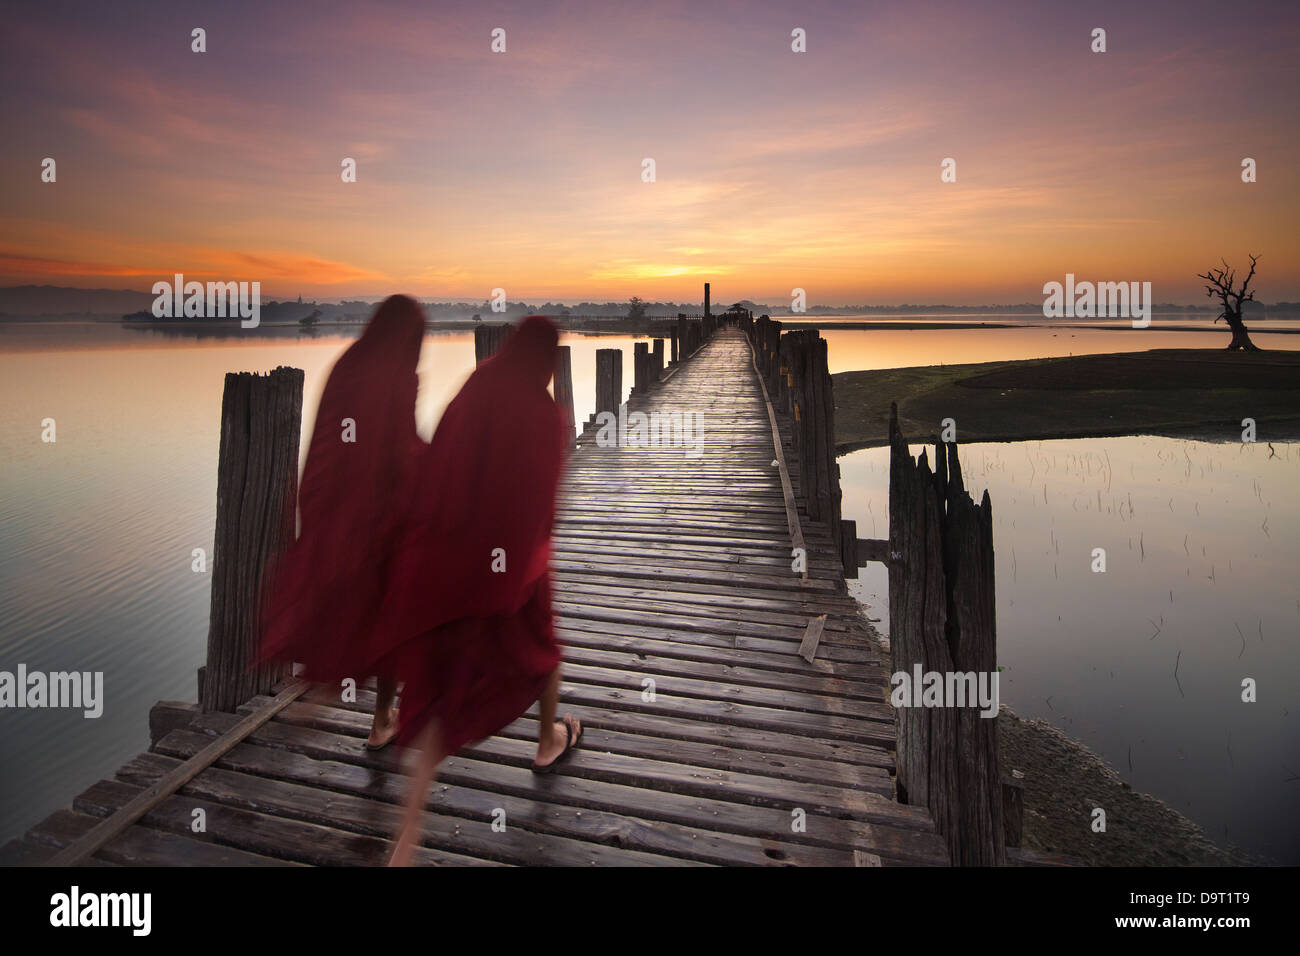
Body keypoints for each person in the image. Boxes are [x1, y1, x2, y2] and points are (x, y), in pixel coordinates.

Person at [373, 315, 579, 867]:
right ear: (546, 360)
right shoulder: (545, 413)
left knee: (438, 693)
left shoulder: (479, 382)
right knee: (542, 647)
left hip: (446, 565)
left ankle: (406, 840)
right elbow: (543, 504)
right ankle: (546, 742)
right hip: (510, 569)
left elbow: (441, 455)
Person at [260, 294, 427, 750]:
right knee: (393, 612)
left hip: (336, 509)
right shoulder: (398, 374)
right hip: (383, 516)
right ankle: (380, 720)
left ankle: (340, 693)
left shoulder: (349, 364)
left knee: (356, 609)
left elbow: (332, 440)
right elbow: (400, 446)